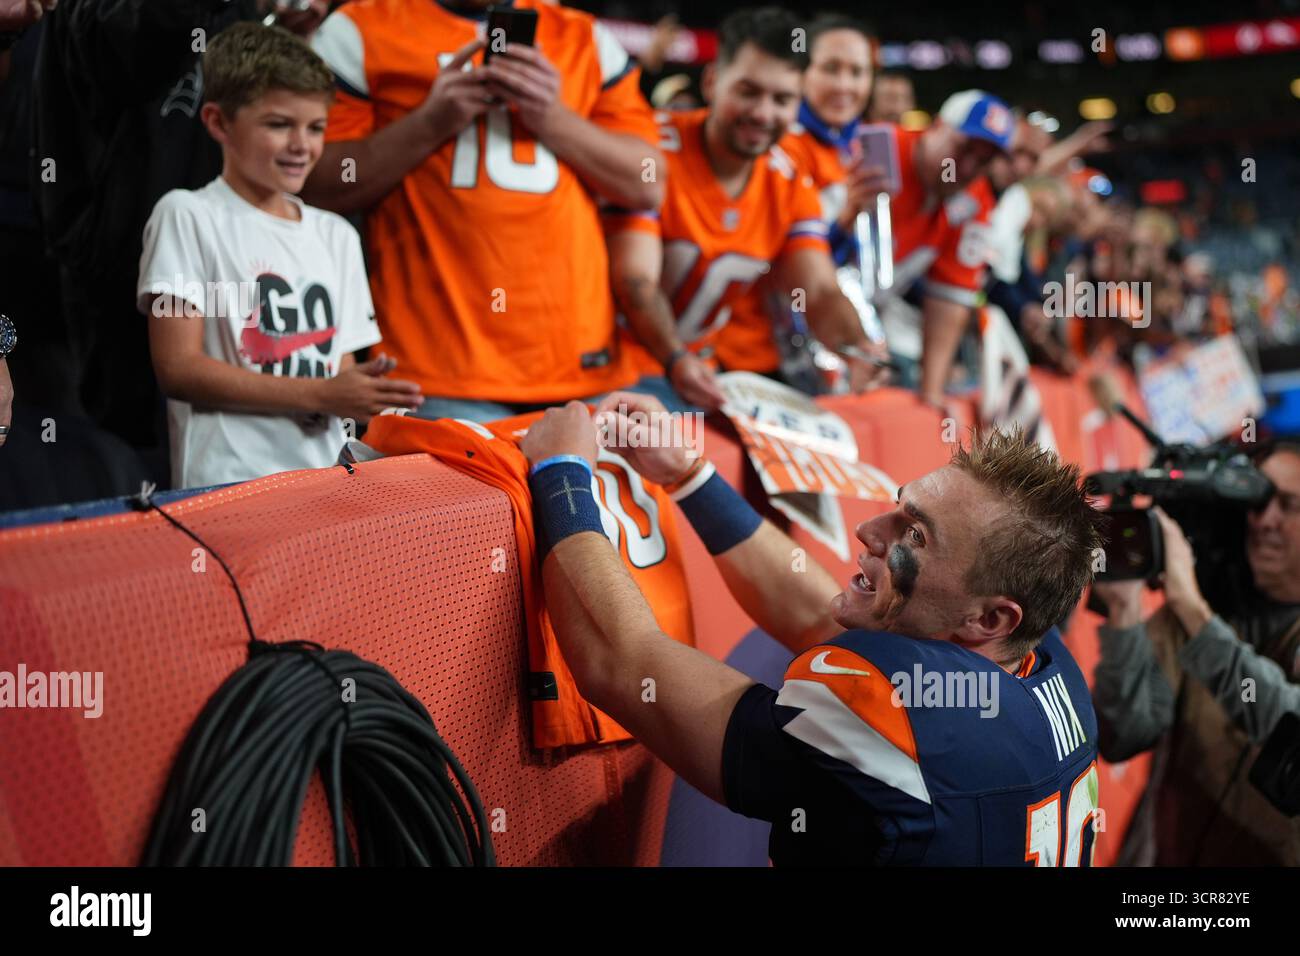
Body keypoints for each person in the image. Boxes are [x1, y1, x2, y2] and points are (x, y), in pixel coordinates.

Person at [519, 390, 1107, 865]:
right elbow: (813, 617)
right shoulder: (1042, 668)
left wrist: (562, 472)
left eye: (916, 536)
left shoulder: (909, 720)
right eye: (899, 508)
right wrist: (689, 478)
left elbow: (617, 662)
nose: (869, 531)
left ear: (989, 617)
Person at [304, 0, 663, 422]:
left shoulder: (584, 37)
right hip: (438, 367)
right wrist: (430, 123)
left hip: (580, 362)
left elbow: (648, 182)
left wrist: (552, 117)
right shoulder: (361, 28)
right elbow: (315, 183)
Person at [33, 0, 330, 481]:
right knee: (117, 471)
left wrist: (287, 33)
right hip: (115, 281)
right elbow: (129, 48)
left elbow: (266, 120)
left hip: (232, 267)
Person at [138, 22, 420, 489]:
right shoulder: (186, 215)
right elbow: (177, 369)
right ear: (217, 122)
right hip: (227, 486)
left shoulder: (336, 235)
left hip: (325, 485)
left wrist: (369, 393)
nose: (301, 146)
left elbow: (340, 375)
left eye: (316, 128)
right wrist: (321, 392)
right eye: (278, 125)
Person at [605, 7, 886, 412]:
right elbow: (635, 282)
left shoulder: (787, 179)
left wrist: (855, 345)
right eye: (748, 92)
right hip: (617, 372)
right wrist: (676, 358)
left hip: (698, 377)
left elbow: (818, 289)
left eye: (782, 99)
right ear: (712, 81)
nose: (763, 113)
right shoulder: (651, 150)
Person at [1092, 443, 1300, 865]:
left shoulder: (1197, 611)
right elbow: (1123, 733)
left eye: (1289, 506)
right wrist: (1124, 609)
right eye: (1257, 502)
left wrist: (1193, 609)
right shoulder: (1213, 603)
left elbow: (1288, 727)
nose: (1264, 521)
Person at [715, 13, 875, 377]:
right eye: (831, 68)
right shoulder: (775, 147)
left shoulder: (847, 148)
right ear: (802, 73)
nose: (844, 85)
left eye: (858, 71)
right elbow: (790, 266)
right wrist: (845, 220)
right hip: (746, 352)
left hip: (804, 345)